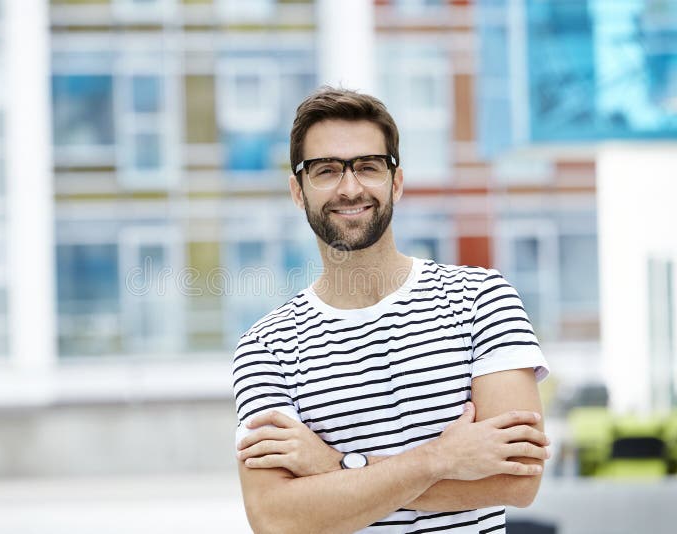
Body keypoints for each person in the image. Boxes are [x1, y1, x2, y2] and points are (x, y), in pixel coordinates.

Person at [232, 87, 550, 534]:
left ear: (396, 181)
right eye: (325, 170)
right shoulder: (266, 348)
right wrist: (442, 458)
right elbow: (275, 518)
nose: (350, 187)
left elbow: (516, 479)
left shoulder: (482, 299)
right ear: (297, 191)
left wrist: (336, 464)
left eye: (367, 166)